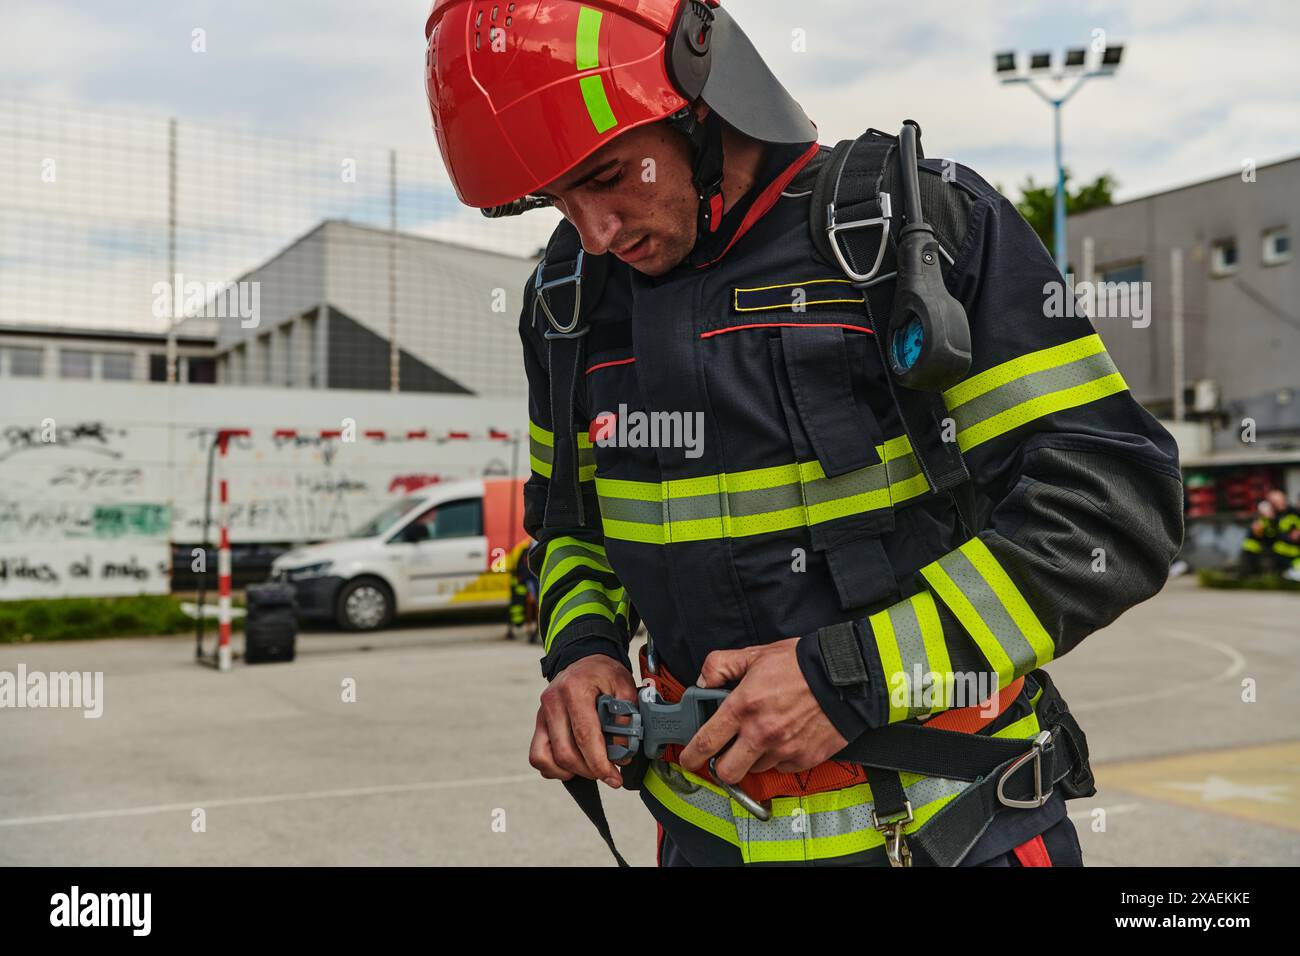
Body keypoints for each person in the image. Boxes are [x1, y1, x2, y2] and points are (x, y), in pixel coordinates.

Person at [424, 0, 1184, 866]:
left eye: (605, 177)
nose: (594, 233)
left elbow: (1112, 510)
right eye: (555, 199)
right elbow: (570, 531)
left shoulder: (914, 231)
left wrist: (853, 674)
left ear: (703, 102)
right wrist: (584, 650)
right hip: (701, 840)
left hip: (952, 837)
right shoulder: (568, 303)